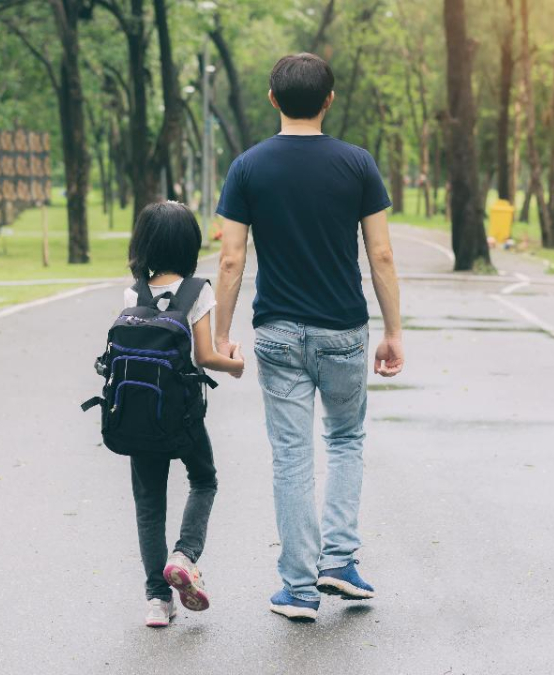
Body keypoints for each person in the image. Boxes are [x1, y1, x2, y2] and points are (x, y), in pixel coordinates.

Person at [211, 53, 405, 622]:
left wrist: (221, 336)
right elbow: (383, 254)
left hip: (276, 331)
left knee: (291, 455)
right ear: (329, 99)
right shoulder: (358, 164)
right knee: (345, 440)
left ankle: (297, 588)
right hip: (343, 328)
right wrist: (393, 331)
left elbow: (230, 259)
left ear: (272, 99)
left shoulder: (247, 167)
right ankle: (339, 562)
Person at [120, 201, 245, 628]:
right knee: (204, 479)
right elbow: (206, 357)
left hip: (138, 415)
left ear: (144, 243)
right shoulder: (198, 291)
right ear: (190, 244)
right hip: (182, 416)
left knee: (149, 503)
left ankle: (157, 600)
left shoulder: (133, 292)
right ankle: (185, 556)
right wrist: (237, 364)